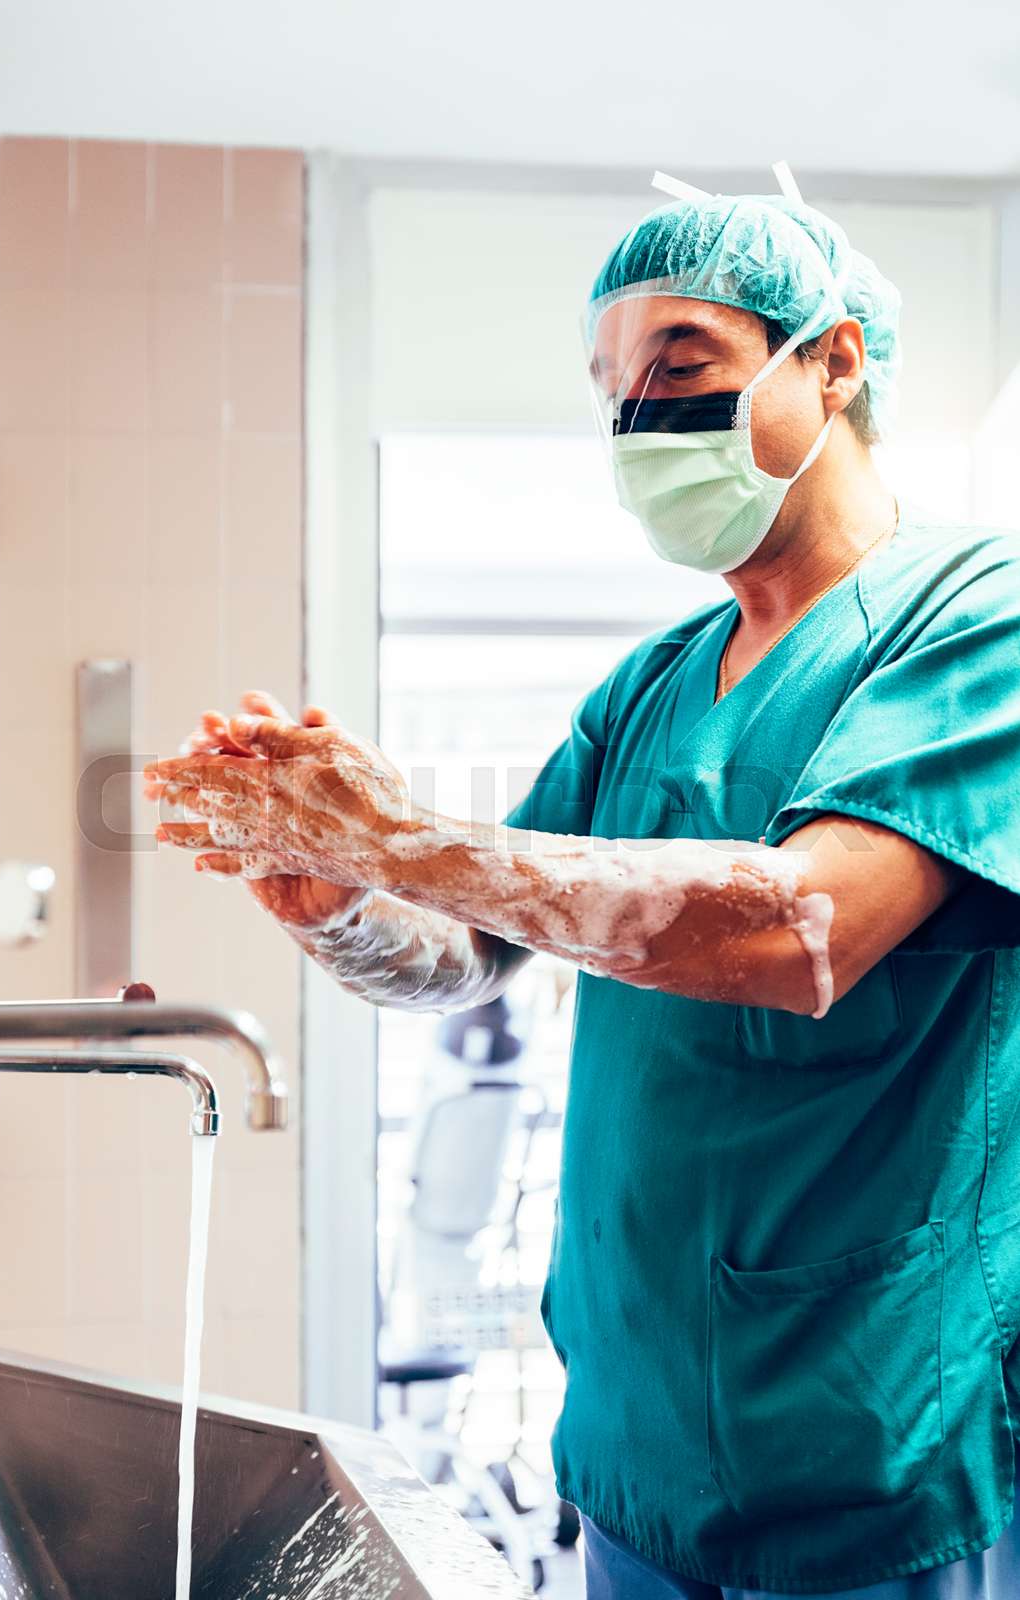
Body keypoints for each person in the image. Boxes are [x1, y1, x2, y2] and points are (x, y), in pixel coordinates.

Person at [144, 174, 1020, 1597]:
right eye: (614, 390)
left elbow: (804, 930)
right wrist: (348, 906)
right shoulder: (655, 684)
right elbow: (475, 953)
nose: (639, 423)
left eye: (682, 368)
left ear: (837, 360)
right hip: (637, 1433)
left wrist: (397, 834)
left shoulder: (973, 620)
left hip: (866, 1433)